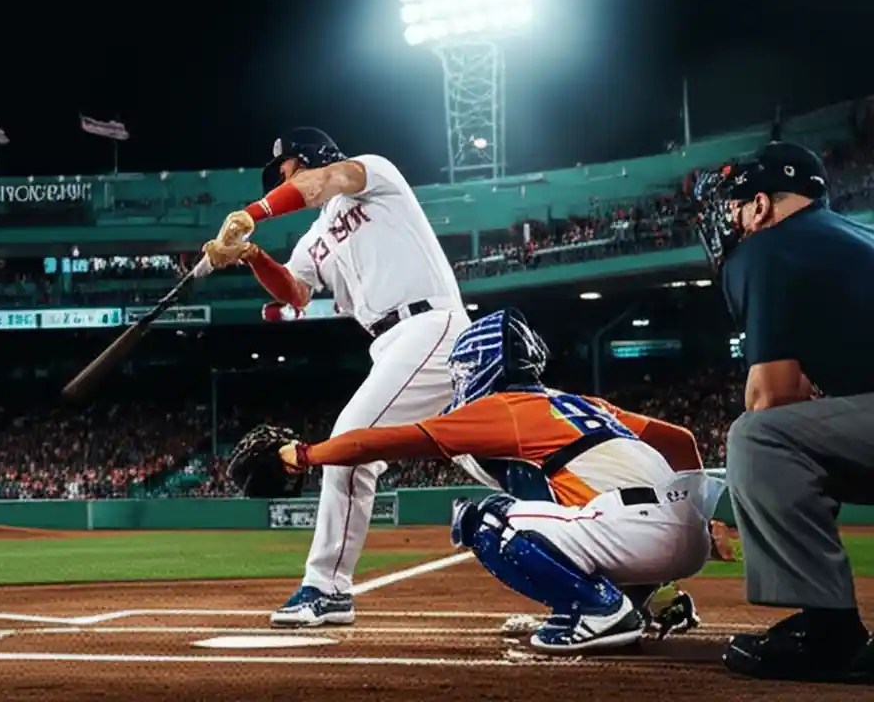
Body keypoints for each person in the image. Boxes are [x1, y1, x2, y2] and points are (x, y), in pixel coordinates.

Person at [271, 309, 726, 652]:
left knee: (485, 521)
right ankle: (646, 604)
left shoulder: (502, 408)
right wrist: (698, 516)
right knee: (564, 504)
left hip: (638, 532)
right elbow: (681, 438)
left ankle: (599, 609)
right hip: (683, 541)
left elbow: (374, 443)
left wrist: (306, 454)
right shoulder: (581, 402)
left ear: (482, 367)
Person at [201, 127, 472, 627]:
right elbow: (296, 294)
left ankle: (326, 588)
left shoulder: (372, 173)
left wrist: (255, 214)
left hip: (431, 325)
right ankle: (600, 572)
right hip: (392, 345)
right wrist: (252, 255)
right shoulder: (314, 238)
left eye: (287, 171)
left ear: (310, 158)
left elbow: (326, 181)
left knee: (350, 445)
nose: (285, 181)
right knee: (497, 459)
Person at [692, 140, 874, 682]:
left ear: (763, 206)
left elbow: (768, 398)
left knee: (759, 438)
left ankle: (829, 634)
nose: (734, 220)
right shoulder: (850, 236)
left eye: (737, 206)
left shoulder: (768, 249)